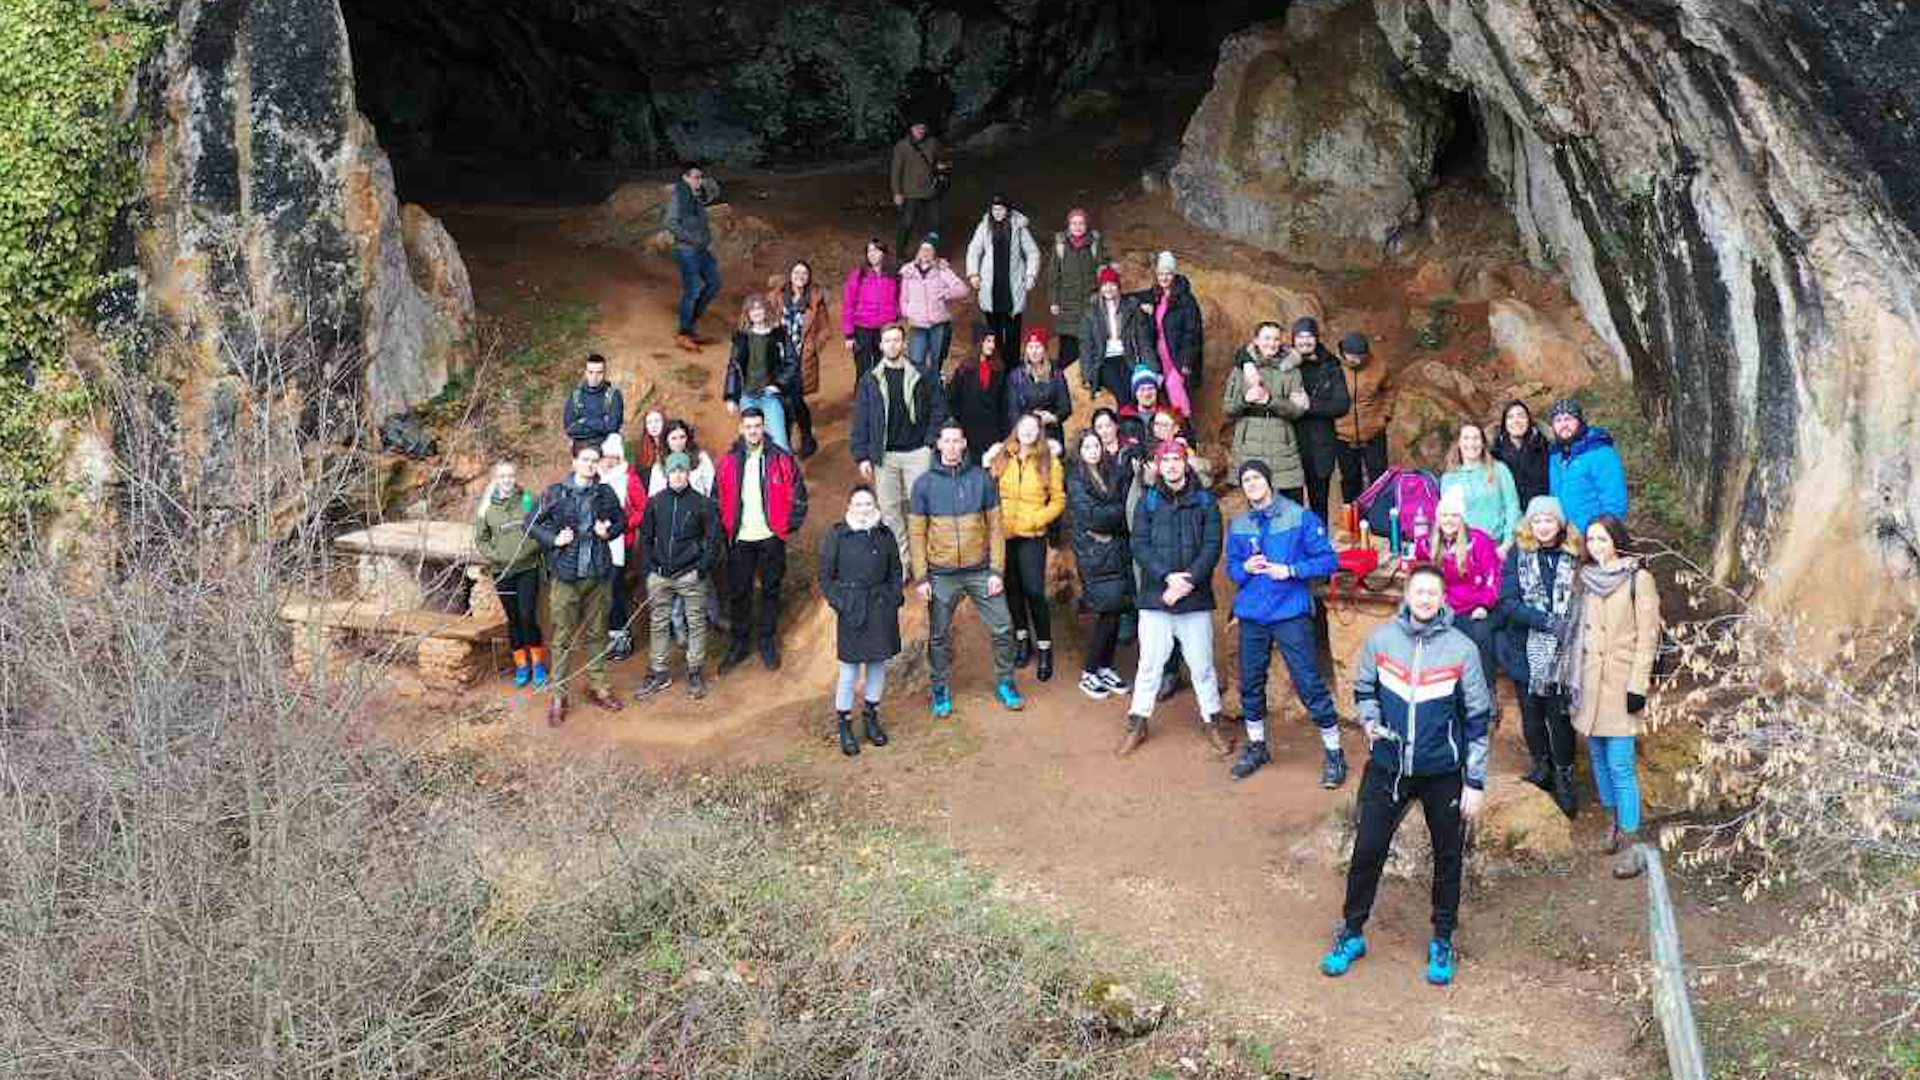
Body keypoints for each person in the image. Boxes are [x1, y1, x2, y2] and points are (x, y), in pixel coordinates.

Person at [1324, 564, 1491, 987]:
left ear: (1442, 599)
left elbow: (1477, 719)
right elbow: (1365, 690)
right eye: (1419, 591)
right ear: (1407, 595)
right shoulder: (1381, 640)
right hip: (1388, 766)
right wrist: (1369, 720)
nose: (1425, 598)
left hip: (1443, 772)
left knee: (1448, 856)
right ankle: (1352, 932)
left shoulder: (1462, 649)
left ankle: (1442, 939)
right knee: (1367, 850)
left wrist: (1474, 783)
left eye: (1433, 592)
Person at [1553, 514, 1662, 879]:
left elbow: (1649, 636)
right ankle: (1613, 821)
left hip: (1620, 683)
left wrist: (1638, 687)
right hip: (1588, 683)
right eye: (1591, 540)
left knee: (1620, 765)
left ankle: (1633, 842)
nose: (1596, 546)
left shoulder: (1638, 579)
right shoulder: (1584, 578)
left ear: (1617, 540)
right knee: (1599, 759)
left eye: (1603, 539)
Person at [1225, 460, 1345, 785]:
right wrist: (1245, 568)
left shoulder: (1299, 516)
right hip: (1253, 614)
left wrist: (1291, 570)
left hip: (1290, 612)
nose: (1252, 484)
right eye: (1246, 480)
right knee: (1251, 683)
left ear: (1269, 481)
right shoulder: (1240, 525)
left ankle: (1334, 752)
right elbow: (1232, 569)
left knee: (1308, 682)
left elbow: (1328, 560)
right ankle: (1257, 746)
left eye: (1256, 478)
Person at [1117, 441, 1231, 759]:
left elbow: (1211, 547)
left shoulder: (1206, 502)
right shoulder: (1148, 502)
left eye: (1176, 459)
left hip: (1194, 597)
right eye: (1164, 460)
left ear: (1185, 463)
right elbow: (1140, 545)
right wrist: (1167, 577)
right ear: (1158, 465)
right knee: (1149, 665)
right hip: (1157, 596)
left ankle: (1212, 722)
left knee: (1202, 665)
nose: (1170, 465)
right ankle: (1138, 723)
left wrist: (1188, 581)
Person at [910, 421, 1023, 717]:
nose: (951, 446)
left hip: (980, 570)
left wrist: (996, 571)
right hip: (941, 573)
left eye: (956, 441)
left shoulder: (982, 480)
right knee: (939, 635)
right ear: (938, 444)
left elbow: (996, 528)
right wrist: (921, 577)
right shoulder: (923, 484)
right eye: (946, 441)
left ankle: (1006, 681)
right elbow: (917, 534)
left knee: (1003, 626)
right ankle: (940, 686)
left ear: (963, 444)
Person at [529, 441, 627, 725]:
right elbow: (530, 523)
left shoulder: (605, 492)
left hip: (598, 574)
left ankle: (599, 687)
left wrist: (608, 532)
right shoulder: (556, 493)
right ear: (574, 462)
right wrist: (554, 539)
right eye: (585, 459)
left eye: (594, 460)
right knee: (562, 637)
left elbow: (621, 520)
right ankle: (559, 695)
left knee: (597, 633)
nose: (590, 465)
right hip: (566, 576)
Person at [1498, 496, 1583, 817]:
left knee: (1559, 716)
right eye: (1537, 521)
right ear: (1529, 524)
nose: (1543, 526)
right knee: (1531, 713)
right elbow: (1507, 602)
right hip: (1525, 647)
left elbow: (1584, 597)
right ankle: (1542, 766)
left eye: (1549, 520)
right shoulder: (1518, 554)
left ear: (1559, 523)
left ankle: (1564, 774)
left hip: (1563, 651)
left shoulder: (1575, 554)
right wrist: (1545, 621)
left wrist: (1566, 626)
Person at [714, 407, 809, 674]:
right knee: (740, 592)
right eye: (748, 426)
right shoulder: (729, 461)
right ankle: (740, 643)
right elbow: (716, 498)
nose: (753, 431)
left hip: (770, 536)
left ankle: (767, 641)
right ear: (741, 429)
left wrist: (787, 526)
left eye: (757, 426)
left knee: (770, 589)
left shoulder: (780, 458)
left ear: (763, 426)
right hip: (740, 537)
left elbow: (799, 494)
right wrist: (723, 530)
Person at [851, 323, 950, 570]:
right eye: (888, 341)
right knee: (890, 512)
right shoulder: (869, 380)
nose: (893, 345)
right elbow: (861, 418)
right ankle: (903, 564)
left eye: (897, 340)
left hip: (918, 452)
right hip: (885, 456)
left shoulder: (923, 374)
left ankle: (925, 561)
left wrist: (930, 443)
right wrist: (862, 456)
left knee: (921, 509)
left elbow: (939, 408)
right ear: (880, 345)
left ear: (904, 344)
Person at [820, 485, 905, 756]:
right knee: (849, 669)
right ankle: (844, 723)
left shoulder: (885, 534)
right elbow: (826, 578)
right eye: (858, 504)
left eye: (868, 504)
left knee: (877, 665)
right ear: (849, 507)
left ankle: (871, 717)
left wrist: (893, 598)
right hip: (852, 608)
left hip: (880, 607)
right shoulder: (837, 535)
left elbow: (896, 571)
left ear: (875, 506)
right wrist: (842, 604)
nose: (864, 509)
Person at [633, 451, 724, 703]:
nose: (678, 475)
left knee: (696, 622)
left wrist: (701, 568)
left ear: (688, 473)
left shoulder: (703, 504)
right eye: (673, 470)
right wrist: (650, 568)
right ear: (666, 474)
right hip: (660, 574)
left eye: (682, 470)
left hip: (690, 574)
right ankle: (659, 671)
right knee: (658, 622)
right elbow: (646, 537)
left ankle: (694, 671)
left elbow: (714, 539)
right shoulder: (655, 502)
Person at [985, 413, 1066, 680]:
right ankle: (1022, 640)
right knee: (1012, 589)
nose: (1028, 431)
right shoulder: (1003, 456)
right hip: (1005, 533)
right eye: (1024, 426)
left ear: (1040, 431)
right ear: (1016, 429)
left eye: (1034, 427)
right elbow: (989, 489)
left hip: (1031, 534)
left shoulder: (1049, 461)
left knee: (1034, 590)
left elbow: (1058, 500)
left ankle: (1045, 647)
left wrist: (1036, 519)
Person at [1414, 486, 1504, 719]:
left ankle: (1487, 695)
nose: (1449, 520)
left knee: (1480, 638)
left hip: (1476, 606)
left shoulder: (1480, 541)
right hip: (1445, 607)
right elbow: (1421, 573)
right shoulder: (1427, 543)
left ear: (1462, 517)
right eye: (1444, 515)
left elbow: (1495, 578)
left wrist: (1485, 604)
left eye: (1454, 515)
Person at [1067, 427, 1134, 699]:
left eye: (1096, 446)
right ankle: (1089, 672)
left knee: (1115, 612)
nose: (1093, 451)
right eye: (1087, 447)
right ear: (1079, 452)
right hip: (1094, 554)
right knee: (1106, 613)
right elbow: (1093, 517)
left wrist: (1113, 520)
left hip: (1115, 550)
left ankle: (1105, 667)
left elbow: (1122, 507)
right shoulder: (1077, 479)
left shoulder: (1110, 472)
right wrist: (1119, 515)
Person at [472, 460, 547, 688]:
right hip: (502, 571)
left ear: (516, 477)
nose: (506, 480)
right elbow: (481, 539)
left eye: (510, 476)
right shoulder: (486, 507)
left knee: (527, 615)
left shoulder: (528, 500)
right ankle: (522, 666)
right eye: (502, 476)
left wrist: (531, 547)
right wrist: (495, 555)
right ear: (496, 479)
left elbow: (543, 526)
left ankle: (538, 664)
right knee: (513, 619)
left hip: (528, 567)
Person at [1223, 322, 1311, 498]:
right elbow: (1228, 409)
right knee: (1256, 500)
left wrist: (1270, 401)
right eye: (1267, 338)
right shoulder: (1241, 370)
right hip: (1249, 444)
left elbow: (1298, 411)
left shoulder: (1292, 371)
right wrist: (1245, 401)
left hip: (1282, 443)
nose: (1272, 343)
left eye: (1276, 339)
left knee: (1291, 501)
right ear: (1256, 340)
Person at [1286, 317, 1353, 526]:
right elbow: (1247, 354)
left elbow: (1342, 404)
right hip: (1289, 444)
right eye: (1300, 337)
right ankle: (1294, 542)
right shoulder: (1284, 362)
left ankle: (1319, 539)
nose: (1305, 341)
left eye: (1309, 336)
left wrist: (1309, 406)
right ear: (1293, 339)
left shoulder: (1330, 365)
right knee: (1290, 504)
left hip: (1320, 445)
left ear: (1317, 339)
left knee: (1319, 503)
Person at [965, 194, 1041, 351]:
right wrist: (973, 273)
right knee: (993, 333)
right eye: (994, 209)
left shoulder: (1018, 227)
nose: (997, 212)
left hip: (1012, 286)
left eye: (1001, 209)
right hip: (991, 286)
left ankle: (1012, 363)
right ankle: (997, 363)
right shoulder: (985, 226)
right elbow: (974, 250)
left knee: (1013, 333)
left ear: (1007, 210)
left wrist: (1030, 275)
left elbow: (1032, 251)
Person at [770, 259, 830, 459]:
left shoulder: (814, 299)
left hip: (801, 358)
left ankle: (797, 441)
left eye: (804, 273)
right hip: (779, 357)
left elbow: (825, 329)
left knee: (793, 400)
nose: (800, 277)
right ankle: (796, 441)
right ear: (790, 275)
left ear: (809, 277)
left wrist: (813, 348)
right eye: (797, 273)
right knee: (786, 401)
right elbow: (767, 318)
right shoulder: (777, 296)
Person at [597, 433, 648, 662]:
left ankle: (622, 638)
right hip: (598, 542)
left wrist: (625, 525)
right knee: (604, 592)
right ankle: (612, 637)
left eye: (613, 457)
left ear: (619, 457)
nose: (608, 461)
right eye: (605, 456)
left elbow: (643, 507)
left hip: (621, 542)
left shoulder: (628, 478)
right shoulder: (596, 477)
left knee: (614, 591)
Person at [725, 295, 798, 453]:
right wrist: (731, 397)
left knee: (779, 442)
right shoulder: (742, 337)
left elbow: (792, 362)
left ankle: (783, 469)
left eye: (760, 308)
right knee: (751, 443)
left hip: (770, 397)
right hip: (748, 396)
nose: (756, 312)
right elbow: (733, 367)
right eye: (752, 309)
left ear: (766, 310)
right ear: (747, 314)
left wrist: (778, 384)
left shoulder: (779, 334)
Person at [1333, 331, 1395, 519]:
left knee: (1380, 479)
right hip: (1343, 435)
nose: (1357, 360)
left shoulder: (1379, 367)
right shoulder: (1333, 367)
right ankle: (1353, 521)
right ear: (1343, 353)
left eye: (1361, 356)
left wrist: (1385, 416)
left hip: (1373, 433)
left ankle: (1380, 520)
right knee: (1350, 480)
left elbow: (1390, 390)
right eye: (1352, 356)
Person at [1547, 398, 1629, 533]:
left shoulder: (1600, 451)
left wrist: (1607, 533)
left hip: (1594, 534)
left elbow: (1614, 498)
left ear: (1580, 421)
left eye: (1568, 419)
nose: (1563, 424)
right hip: (1567, 534)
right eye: (1558, 420)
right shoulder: (1555, 455)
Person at [1135, 251, 1203, 415]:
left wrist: (1186, 362)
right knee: (1165, 393)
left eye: (1168, 274)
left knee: (1174, 385)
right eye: (1160, 274)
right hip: (1161, 354)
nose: (1164, 278)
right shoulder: (1155, 295)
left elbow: (1193, 333)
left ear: (1174, 274)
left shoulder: (1185, 299)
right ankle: (1172, 427)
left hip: (1178, 355)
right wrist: (1141, 307)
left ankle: (1185, 425)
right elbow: (1130, 298)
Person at [1440, 421, 1522, 555]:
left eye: (1476, 438)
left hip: (1497, 545)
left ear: (1483, 443)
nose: (1471, 443)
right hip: (1464, 548)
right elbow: (1448, 517)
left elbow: (1512, 507)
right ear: (1458, 443)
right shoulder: (1449, 477)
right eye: (1466, 438)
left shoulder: (1499, 469)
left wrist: (1507, 544)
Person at [666, 164, 724, 350]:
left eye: (701, 177)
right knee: (693, 290)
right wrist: (692, 238)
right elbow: (669, 222)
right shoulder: (679, 196)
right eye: (696, 177)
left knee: (715, 283)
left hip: (701, 249)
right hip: (687, 249)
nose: (700, 180)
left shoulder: (696, 196)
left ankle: (690, 323)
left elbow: (713, 192)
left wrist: (705, 187)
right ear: (685, 178)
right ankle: (684, 332)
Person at [898, 235, 971, 374]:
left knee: (936, 362)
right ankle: (918, 387)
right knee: (916, 362)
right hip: (917, 324)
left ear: (935, 253)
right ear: (918, 252)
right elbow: (904, 297)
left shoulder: (942, 270)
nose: (925, 253)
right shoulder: (909, 271)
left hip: (939, 325)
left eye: (930, 249)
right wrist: (907, 312)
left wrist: (945, 294)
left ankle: (934, 386)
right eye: (923, 249)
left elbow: (963, 289)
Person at [1081, 266, 1153, 405]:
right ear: (1100, 288)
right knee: (1122, 395)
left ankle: (1131, 417)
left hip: (1127, 356)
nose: (1108, 288)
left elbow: (1143, 341)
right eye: (1104, 285)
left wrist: (1152, 369)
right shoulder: (1091, 312)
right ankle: (1126, 416)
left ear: (1118, 286)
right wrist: (1087, 375)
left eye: (1112, 284)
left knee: (1134, 391)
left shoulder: (1130, 308)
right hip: (1105, 360)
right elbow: (1086, 346)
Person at [1049, 208, 1104, 373]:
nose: (1078, 227)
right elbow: (1053, 275)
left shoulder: (1094, 244)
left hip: (1089, 302)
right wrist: (1054, 300)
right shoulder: (1060, 246)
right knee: (1067, 349)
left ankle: (1088, 380)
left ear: (1086, 225)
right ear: (1069, 225)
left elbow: (1101, 270)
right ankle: (1065, 381)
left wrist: (1100, 293)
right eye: (1074, 223)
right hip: (1067, 304)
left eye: (1081, 223)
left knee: (1089, 344)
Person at [946, 325, 1009, 466]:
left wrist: (1003, 434)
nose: (992, 345)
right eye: (988, 341)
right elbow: (952, 399)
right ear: (978, 342)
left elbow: (1003, 404)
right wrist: (957, 426)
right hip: (969, 431)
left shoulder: (999, 369)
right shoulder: (964, 369)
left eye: (993, 341)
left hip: (992, 432)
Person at [842, 239, 900, 382]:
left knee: (884, 367)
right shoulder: (859, 274)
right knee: (863, 369)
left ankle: (881, 395)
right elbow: (849, 304)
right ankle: (863, 395)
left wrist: (895, 316)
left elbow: (900, 297)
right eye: (869, 251)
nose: (872, 254)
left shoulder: (893, 275)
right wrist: (849, 334)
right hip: (862, 329)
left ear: (884, 253)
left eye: (876, 250)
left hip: (885, 329)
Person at [1004, 327, 1072, 447]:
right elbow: (1012, 412)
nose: (1034, 351)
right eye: (1030, 347)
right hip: (1026, 434)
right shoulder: (1016, 376)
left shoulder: (1056, 374)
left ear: (1044, 349)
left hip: (1050, 433)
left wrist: (1053, 418)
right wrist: (1028, 424)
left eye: (1038, 347)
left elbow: (1066, 407)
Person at [891, 121, 946, 261]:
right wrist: (897, 192)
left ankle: (934, 253)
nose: (921, 131)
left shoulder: (933, 143)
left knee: (935, 222)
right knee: (907, 223)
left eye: (923, 128)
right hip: (910, 192)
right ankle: (900, 254)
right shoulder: (902, 146)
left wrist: (940, 167)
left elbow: (938, 160)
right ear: (911, 128)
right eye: (917, 128)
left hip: (930, 190)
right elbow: (896, 171)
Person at [1491, 399, 1551, 510]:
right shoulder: (1495, 453)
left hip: (1540, 513)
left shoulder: (1544, 446)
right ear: (1504, 423)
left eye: (1521, 416)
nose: (1516, 421)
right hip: (1508, 513)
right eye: (1510, 417)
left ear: (1529, 420)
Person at [562, 353, 624, 446]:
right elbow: (569, 428)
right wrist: (601, 425)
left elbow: (612, 427)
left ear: (605, 373)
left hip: (606, 447)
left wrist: (584, 421)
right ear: (585, 372)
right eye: (591, 372)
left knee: (614, 439)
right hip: (582, 446)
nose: (594, 377)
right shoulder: (576, 395)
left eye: (599, 373)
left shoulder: (614, 395)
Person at [648, 420, 716, 497]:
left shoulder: (701, 458)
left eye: (682, 437)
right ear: (666, 440)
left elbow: (711, 488)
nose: (678, 442)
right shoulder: (659, 466)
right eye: (674, 438)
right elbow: (653, 495)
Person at [1116, 367, 1163, 449]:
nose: (1146, 393)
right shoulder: (1123, 418)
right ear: (1135, 394)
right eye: (1142, 389)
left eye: (1151, 388)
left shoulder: (1166, 416)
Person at [634, 408, 668, 478]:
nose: (653, 425)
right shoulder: (643, 449)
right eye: (649, 422)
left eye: (657, 421)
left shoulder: (671, 444)